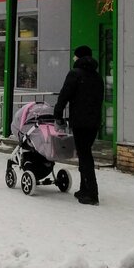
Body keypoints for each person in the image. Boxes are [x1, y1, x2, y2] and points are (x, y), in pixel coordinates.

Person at [54, 45, 104, 205]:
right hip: (94, 122)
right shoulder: (97, 76)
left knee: (85, 156)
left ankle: (92, 193)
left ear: (79, 57)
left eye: (75, 56)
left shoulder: (75, 74)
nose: (73, 59)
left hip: (80, 122)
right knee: (85, 153)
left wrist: (58, 114)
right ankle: (84, 189)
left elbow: (64, 95)